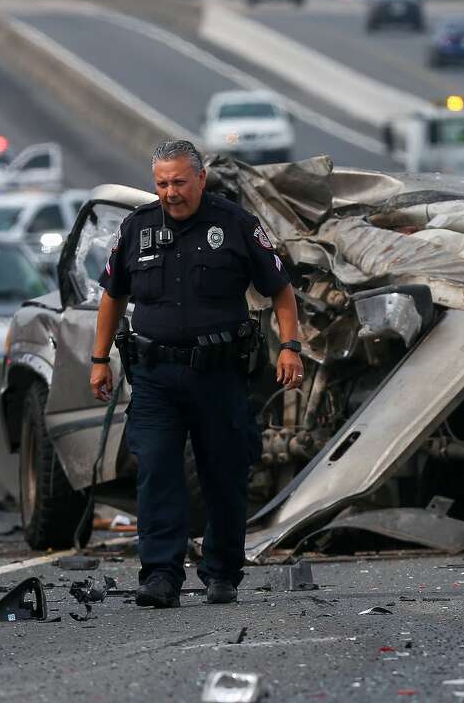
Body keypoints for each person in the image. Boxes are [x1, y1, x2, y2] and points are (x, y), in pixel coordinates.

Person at [89, 140, 303, 609]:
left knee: (224, 474)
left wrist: (290, 348)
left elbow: (281, 290)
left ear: (201, 179)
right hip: (155, 376)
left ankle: (222, 572)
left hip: (219, 375)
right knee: (156, 471)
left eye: (180, 182)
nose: (171, 192)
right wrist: (99, 358)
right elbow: (112, 295)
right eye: (162, 184)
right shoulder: (137, 227)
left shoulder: (236, 224)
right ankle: (160, 576)